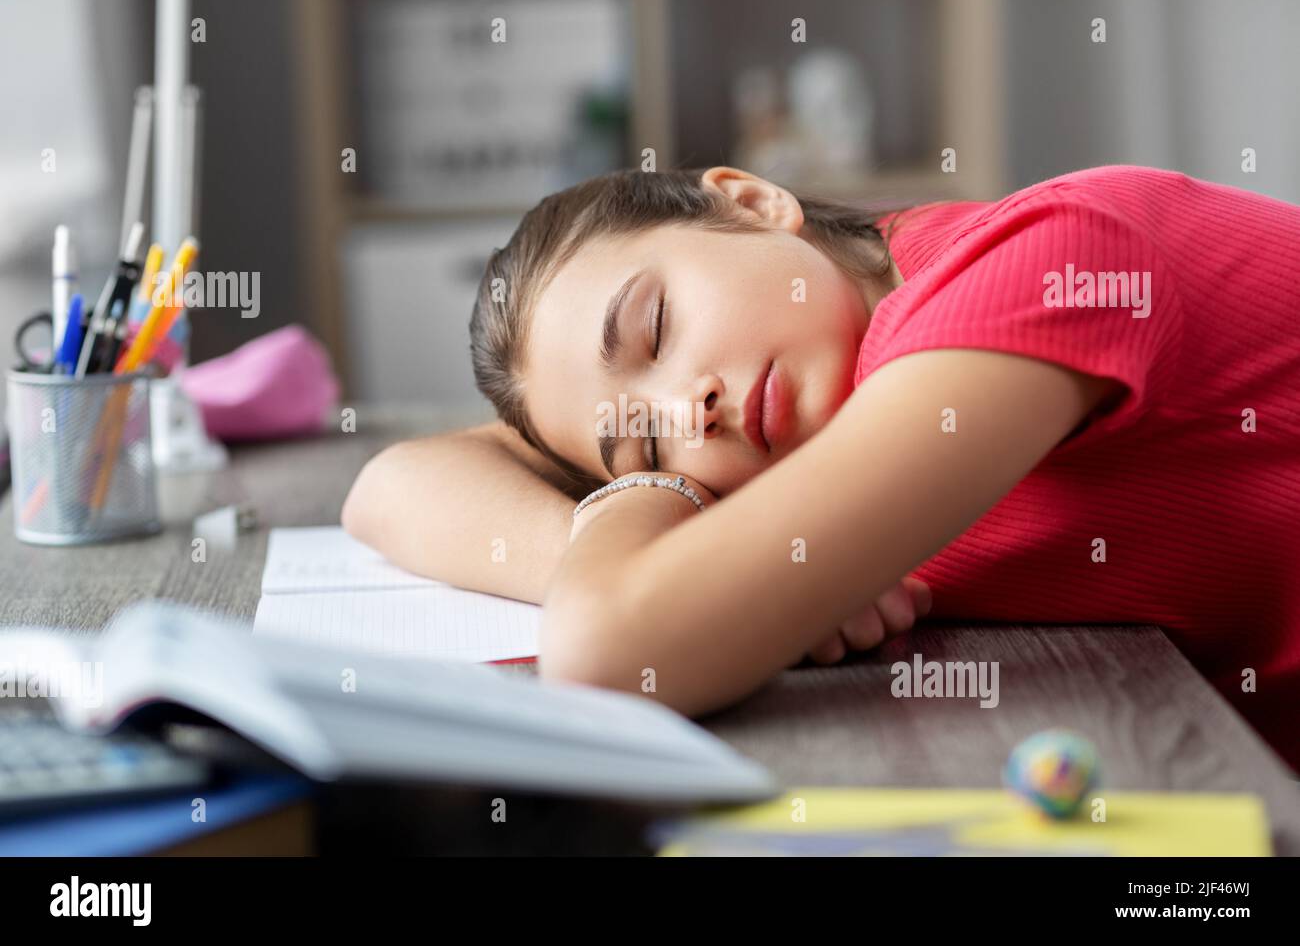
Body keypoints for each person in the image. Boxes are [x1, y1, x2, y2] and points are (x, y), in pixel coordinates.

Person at [343, 164, 1300, 770]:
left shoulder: (1048, 261)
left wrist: (669, 567)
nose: (688, 409)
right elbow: (390, 487)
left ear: (752, 204)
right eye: (643, 441)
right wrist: (657, 530)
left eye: (656, 327)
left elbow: (605, 652)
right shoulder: (817, 404)